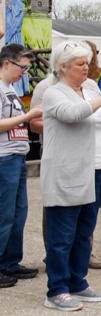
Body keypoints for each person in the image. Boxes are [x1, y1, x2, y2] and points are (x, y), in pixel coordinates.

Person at [41, 41, 101, 311]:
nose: (86, 67)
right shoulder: (54, 93)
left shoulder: (87, 89)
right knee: (61, 236)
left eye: (87, 62)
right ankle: (57, 290)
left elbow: (99, 121)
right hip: (64, 174)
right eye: (79, 63)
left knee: (83, 233)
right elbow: (74, 114)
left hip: (90, 171)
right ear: (63, 67)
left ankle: (78, 282)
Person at [0, 45, 43, 289]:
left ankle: (10, 261)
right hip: (4, 158)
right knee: (4, 214)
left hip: (17, 157)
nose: (24, 73)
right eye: (22, 67)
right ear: (7, 63)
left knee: (18, 213)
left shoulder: (12, 90)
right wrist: (27, 117)